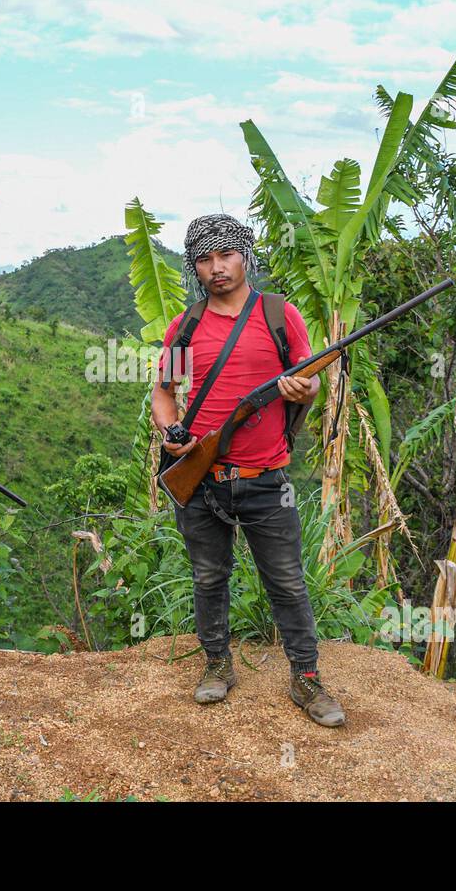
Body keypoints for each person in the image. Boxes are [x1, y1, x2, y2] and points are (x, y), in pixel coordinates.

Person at [151, 213, 346, 727]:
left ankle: (306, 680)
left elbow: (311, 379)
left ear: (245, 256)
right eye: (205, 259)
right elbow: (164, 392)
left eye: (226, 255)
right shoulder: (186, 325)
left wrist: (305, 389)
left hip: (267, 480)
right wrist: (173, 435)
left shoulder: (281, 315)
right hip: (202, 478)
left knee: (286, 581)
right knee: (209, 576)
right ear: (195, 266)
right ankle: (217, 664)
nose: (217, 268)